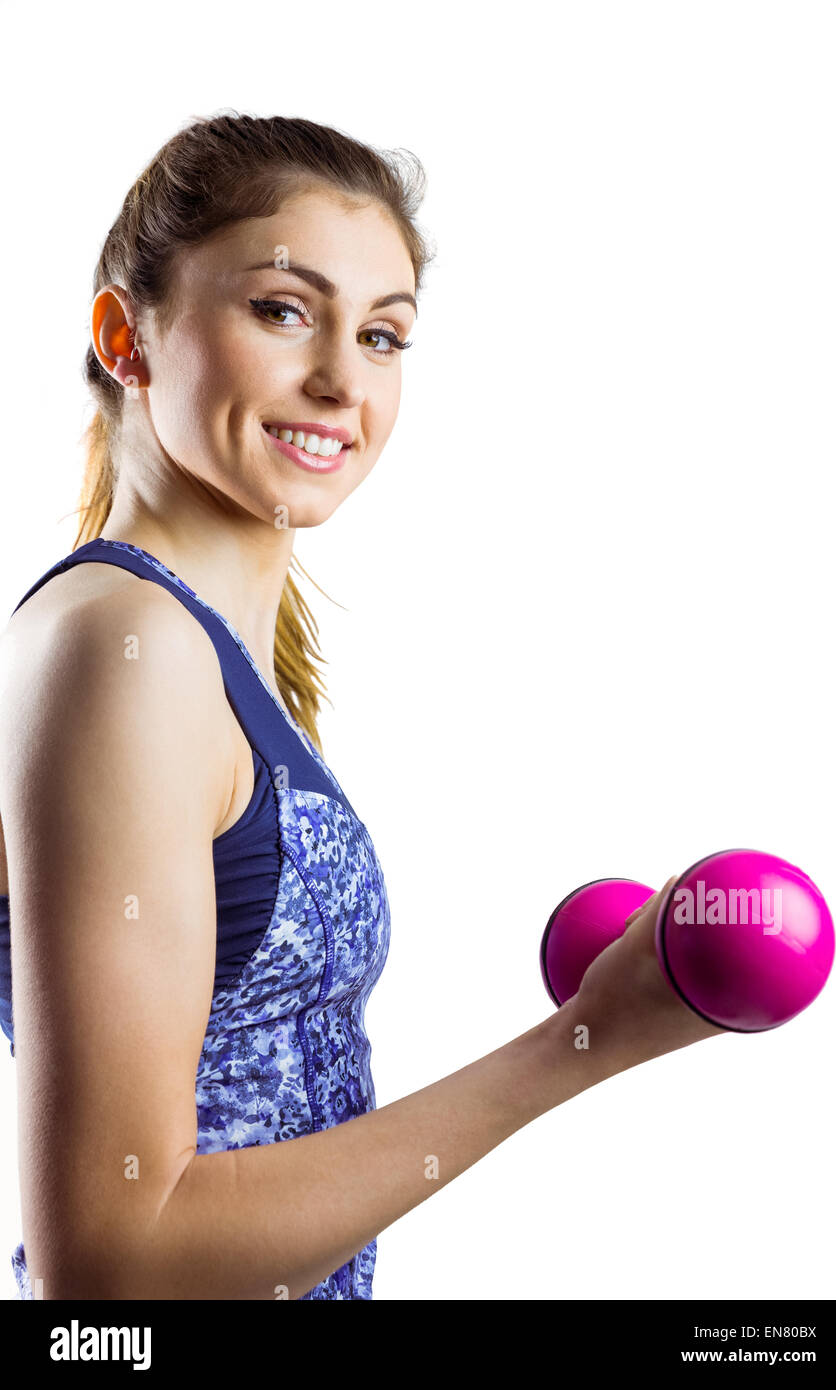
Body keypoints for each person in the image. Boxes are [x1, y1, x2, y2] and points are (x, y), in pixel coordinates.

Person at [0, 110, 725, 1302]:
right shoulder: (120, 648)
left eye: (383, 335)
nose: (342, 379)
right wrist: (577, 1043)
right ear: (125, 337)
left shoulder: (207, 654)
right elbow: (112, 1268)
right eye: (282, 310)